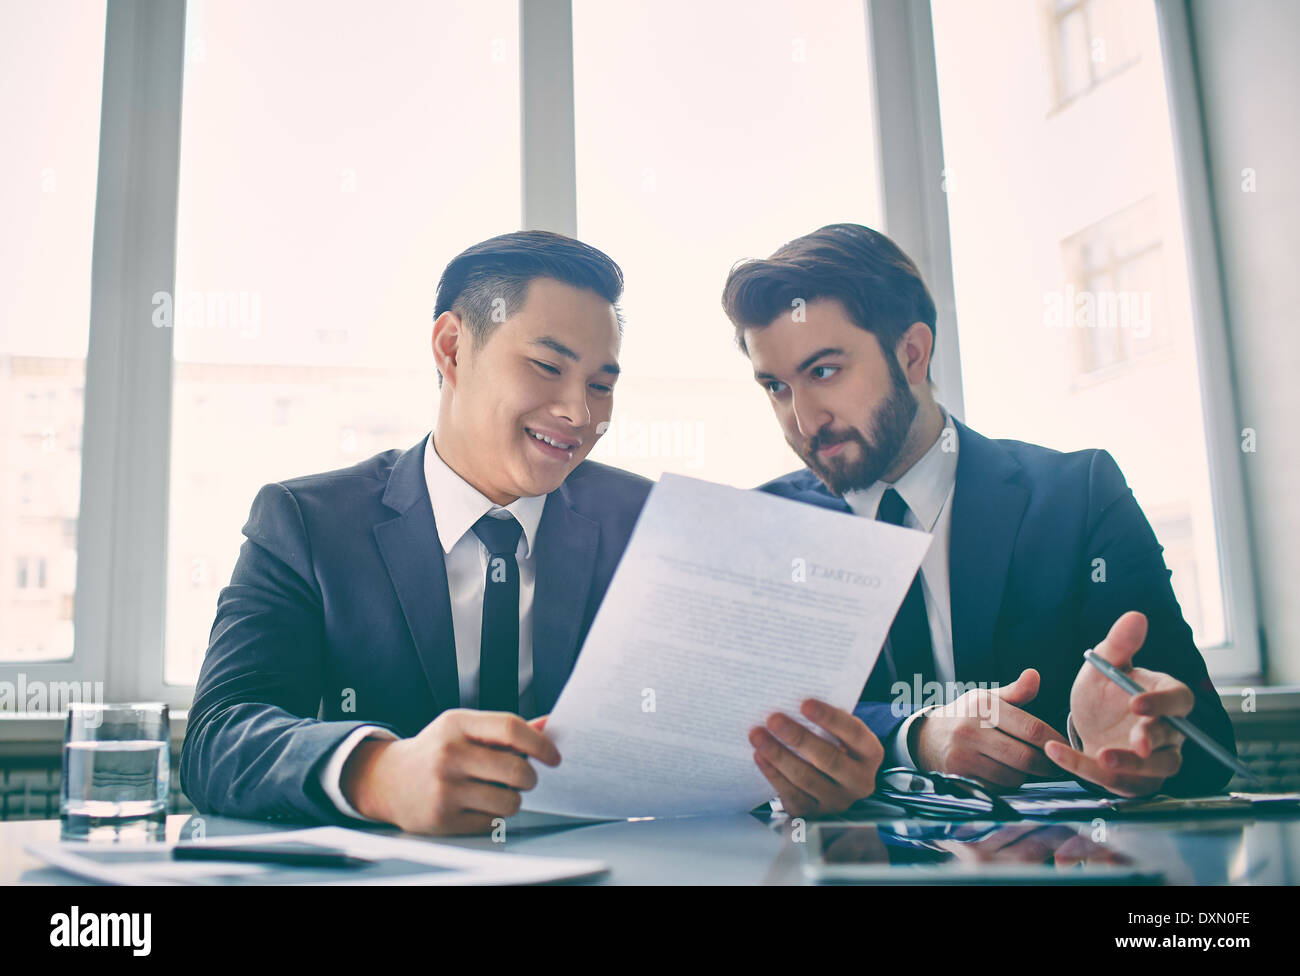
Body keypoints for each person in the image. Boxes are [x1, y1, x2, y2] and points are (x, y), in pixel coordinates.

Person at [181, 230, 880, 836]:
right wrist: (379, 773)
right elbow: (217, 739)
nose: (578, 412)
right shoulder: (307, 523)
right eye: (547, 367)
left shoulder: (654, 526)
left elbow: (730, 741)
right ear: (453, 348)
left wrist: (808, 775)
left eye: (602, 384)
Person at [721, 222, 1236, 797]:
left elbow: (1206, 749)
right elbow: (751, 733)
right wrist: (915, 737)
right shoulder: (766, 526)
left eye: (823, 372)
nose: (803, 418)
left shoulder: (1080, 496)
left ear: (912, 353)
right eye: (775, 387)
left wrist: (1120, 746)